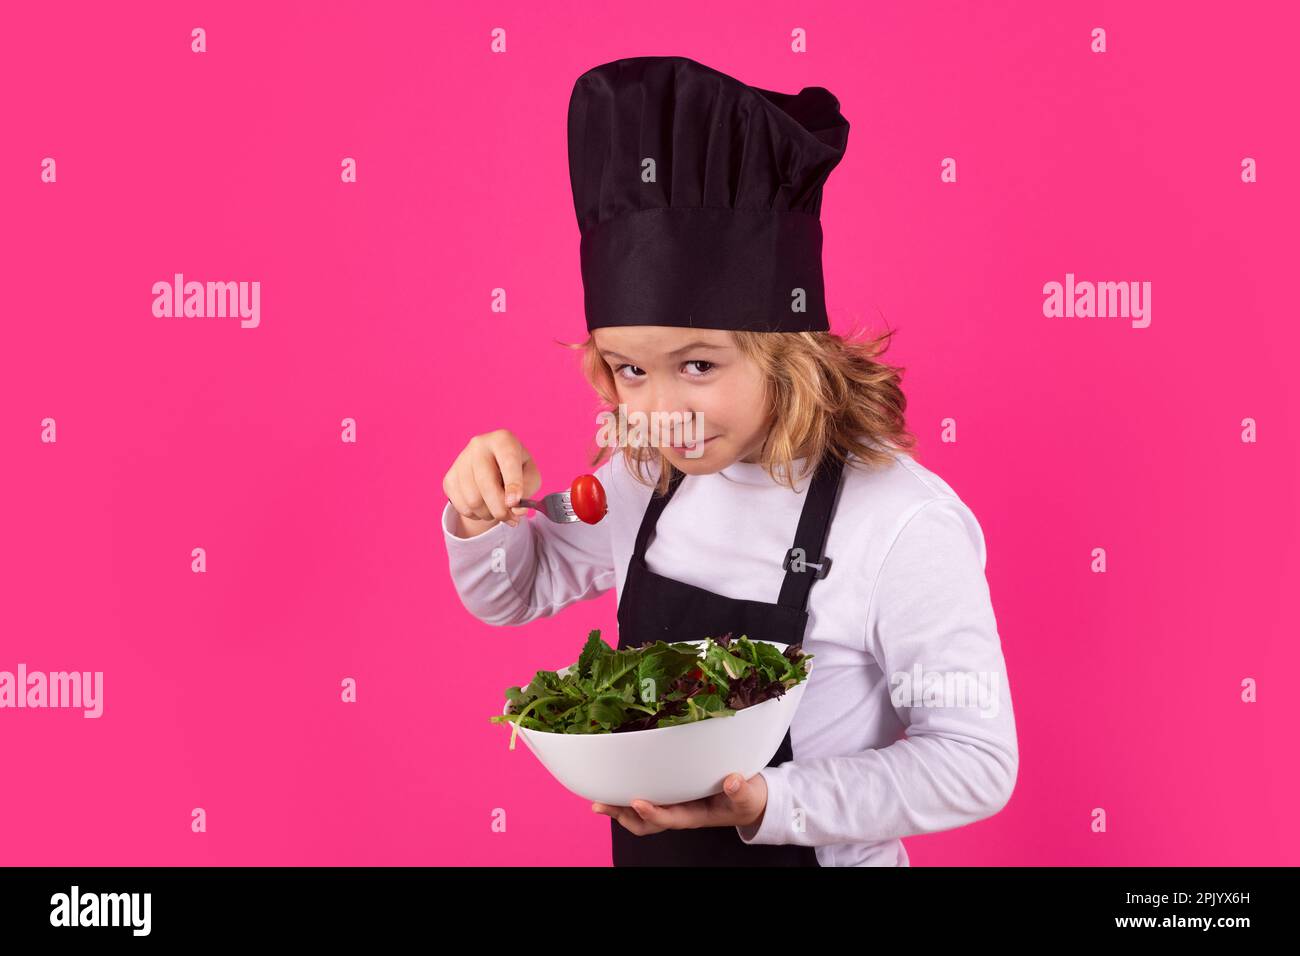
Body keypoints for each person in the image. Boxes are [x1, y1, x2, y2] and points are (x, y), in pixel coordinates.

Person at [440, 55, 1018, 866]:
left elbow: (975, 761)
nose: (660, 410)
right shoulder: (644, 477)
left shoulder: (901, 522)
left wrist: (772, 802)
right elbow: (519, 590)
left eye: (700, 365)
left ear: (789, 354)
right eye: (631, 371)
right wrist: (477, 511)